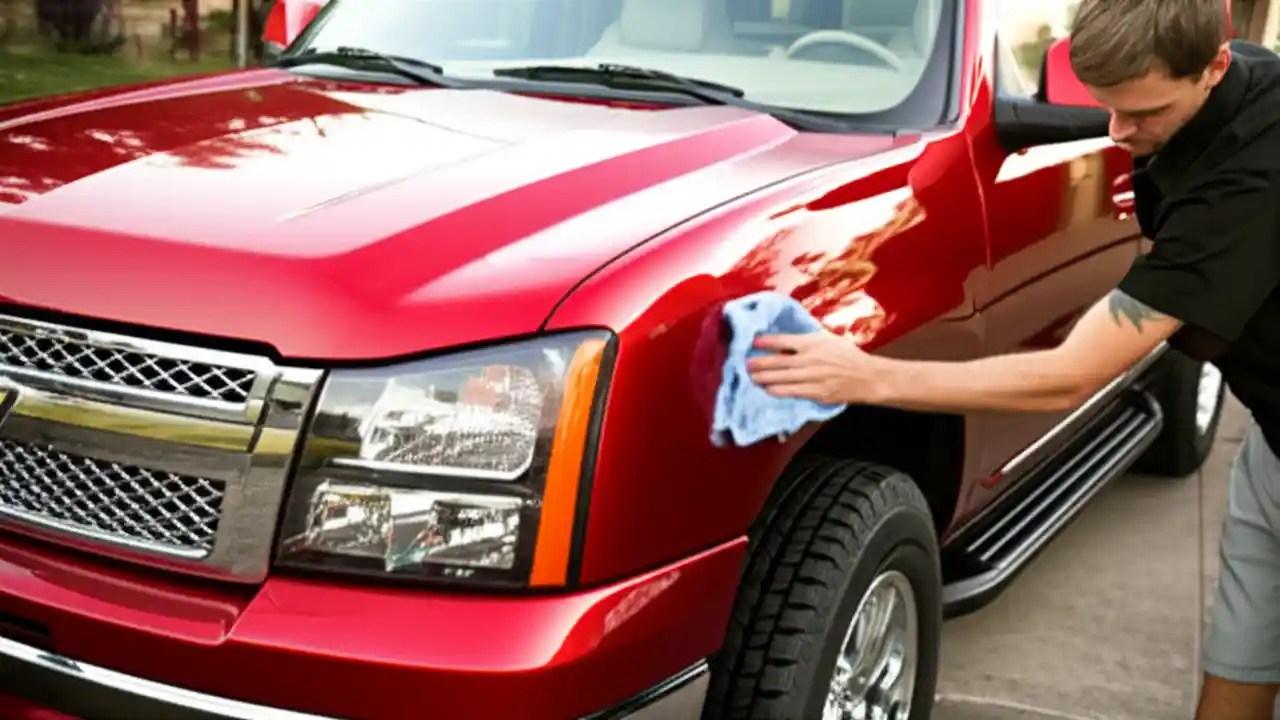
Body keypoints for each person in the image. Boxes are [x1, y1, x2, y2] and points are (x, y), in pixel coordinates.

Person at [746, 1, 1280, 718]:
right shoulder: (1227, 77)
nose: (1118, 135)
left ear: (1214, 67)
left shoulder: (1246, 184)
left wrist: (865, 375)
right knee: (1241, 658)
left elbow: (1073, 373)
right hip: (1271, 447)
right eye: (1106, 108)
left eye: (1143, 113)